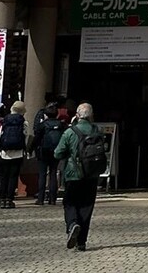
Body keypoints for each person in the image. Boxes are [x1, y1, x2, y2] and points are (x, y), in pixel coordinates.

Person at [55, 102, 104, 251]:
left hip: (73, 174)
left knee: (70, 203)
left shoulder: (70, 132)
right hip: (92, 175)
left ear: (77, 115)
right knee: (87, 207)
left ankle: (72, 224)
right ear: (92, 116)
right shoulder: (97, 131)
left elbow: (58, 152)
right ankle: (81, 242)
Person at [0, 100, 31, 209]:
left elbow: (0, 136)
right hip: (18, 153)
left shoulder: (5, 120)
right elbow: (26, 137)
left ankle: (1, 199)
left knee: (3, 176)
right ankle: (9, 200)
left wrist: (1, 148)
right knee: (13, 177)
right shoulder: (24, 122)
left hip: (5, 153)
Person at [36, 100, 68, 205]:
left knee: (42, 174)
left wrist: (31, 149)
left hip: (43, 151)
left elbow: (37, 138)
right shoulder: (61, 125)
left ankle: (40, 199)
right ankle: (53, 198)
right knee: (53, 173)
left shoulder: (43, 125)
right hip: (56, 151)